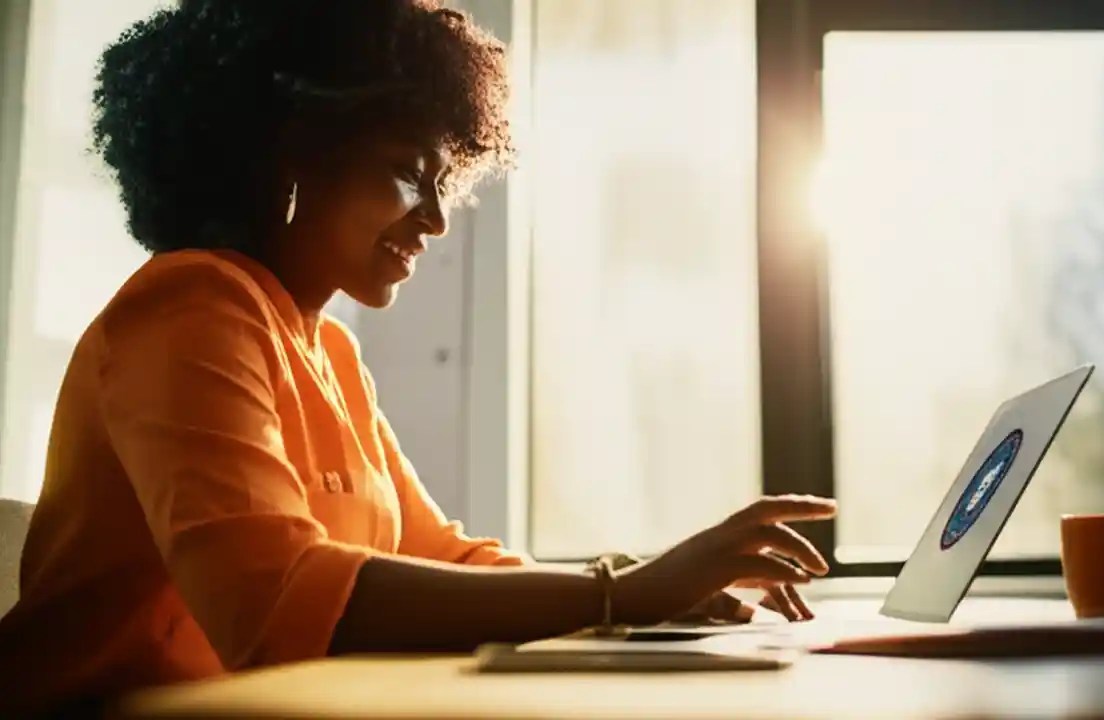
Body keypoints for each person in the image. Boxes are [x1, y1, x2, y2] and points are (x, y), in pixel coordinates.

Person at [0, 0, 836, 714]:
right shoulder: (188, 307)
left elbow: (442, 555)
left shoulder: (322, 344)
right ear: (288, 156)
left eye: (446, 182)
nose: (436, 220)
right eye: (409, 174)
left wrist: (650, 595)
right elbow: (274, 599)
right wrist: (624, 596)